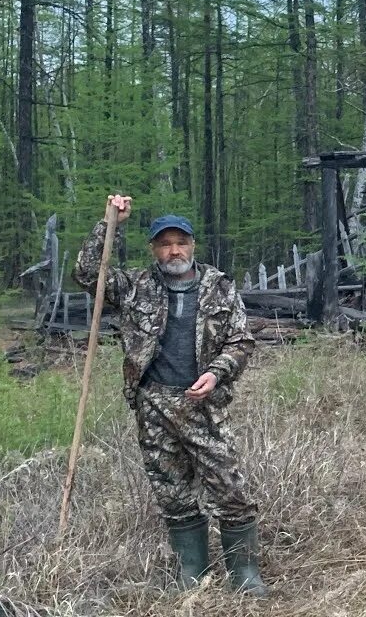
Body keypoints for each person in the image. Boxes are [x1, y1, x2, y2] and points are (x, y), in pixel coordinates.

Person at [74, 194, 266, 597]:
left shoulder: (219, 286)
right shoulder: (133, 286)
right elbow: (88, 274)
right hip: (154, 406)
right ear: (154, 249)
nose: (173, 250)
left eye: (180, 241)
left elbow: (240, 340)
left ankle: (244, 574)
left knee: (232, 490)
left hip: (205, 405)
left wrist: (217, 374)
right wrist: (109, 224)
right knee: (173, 494)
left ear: (193, 245)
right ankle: (191, 572)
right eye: (164, 243)